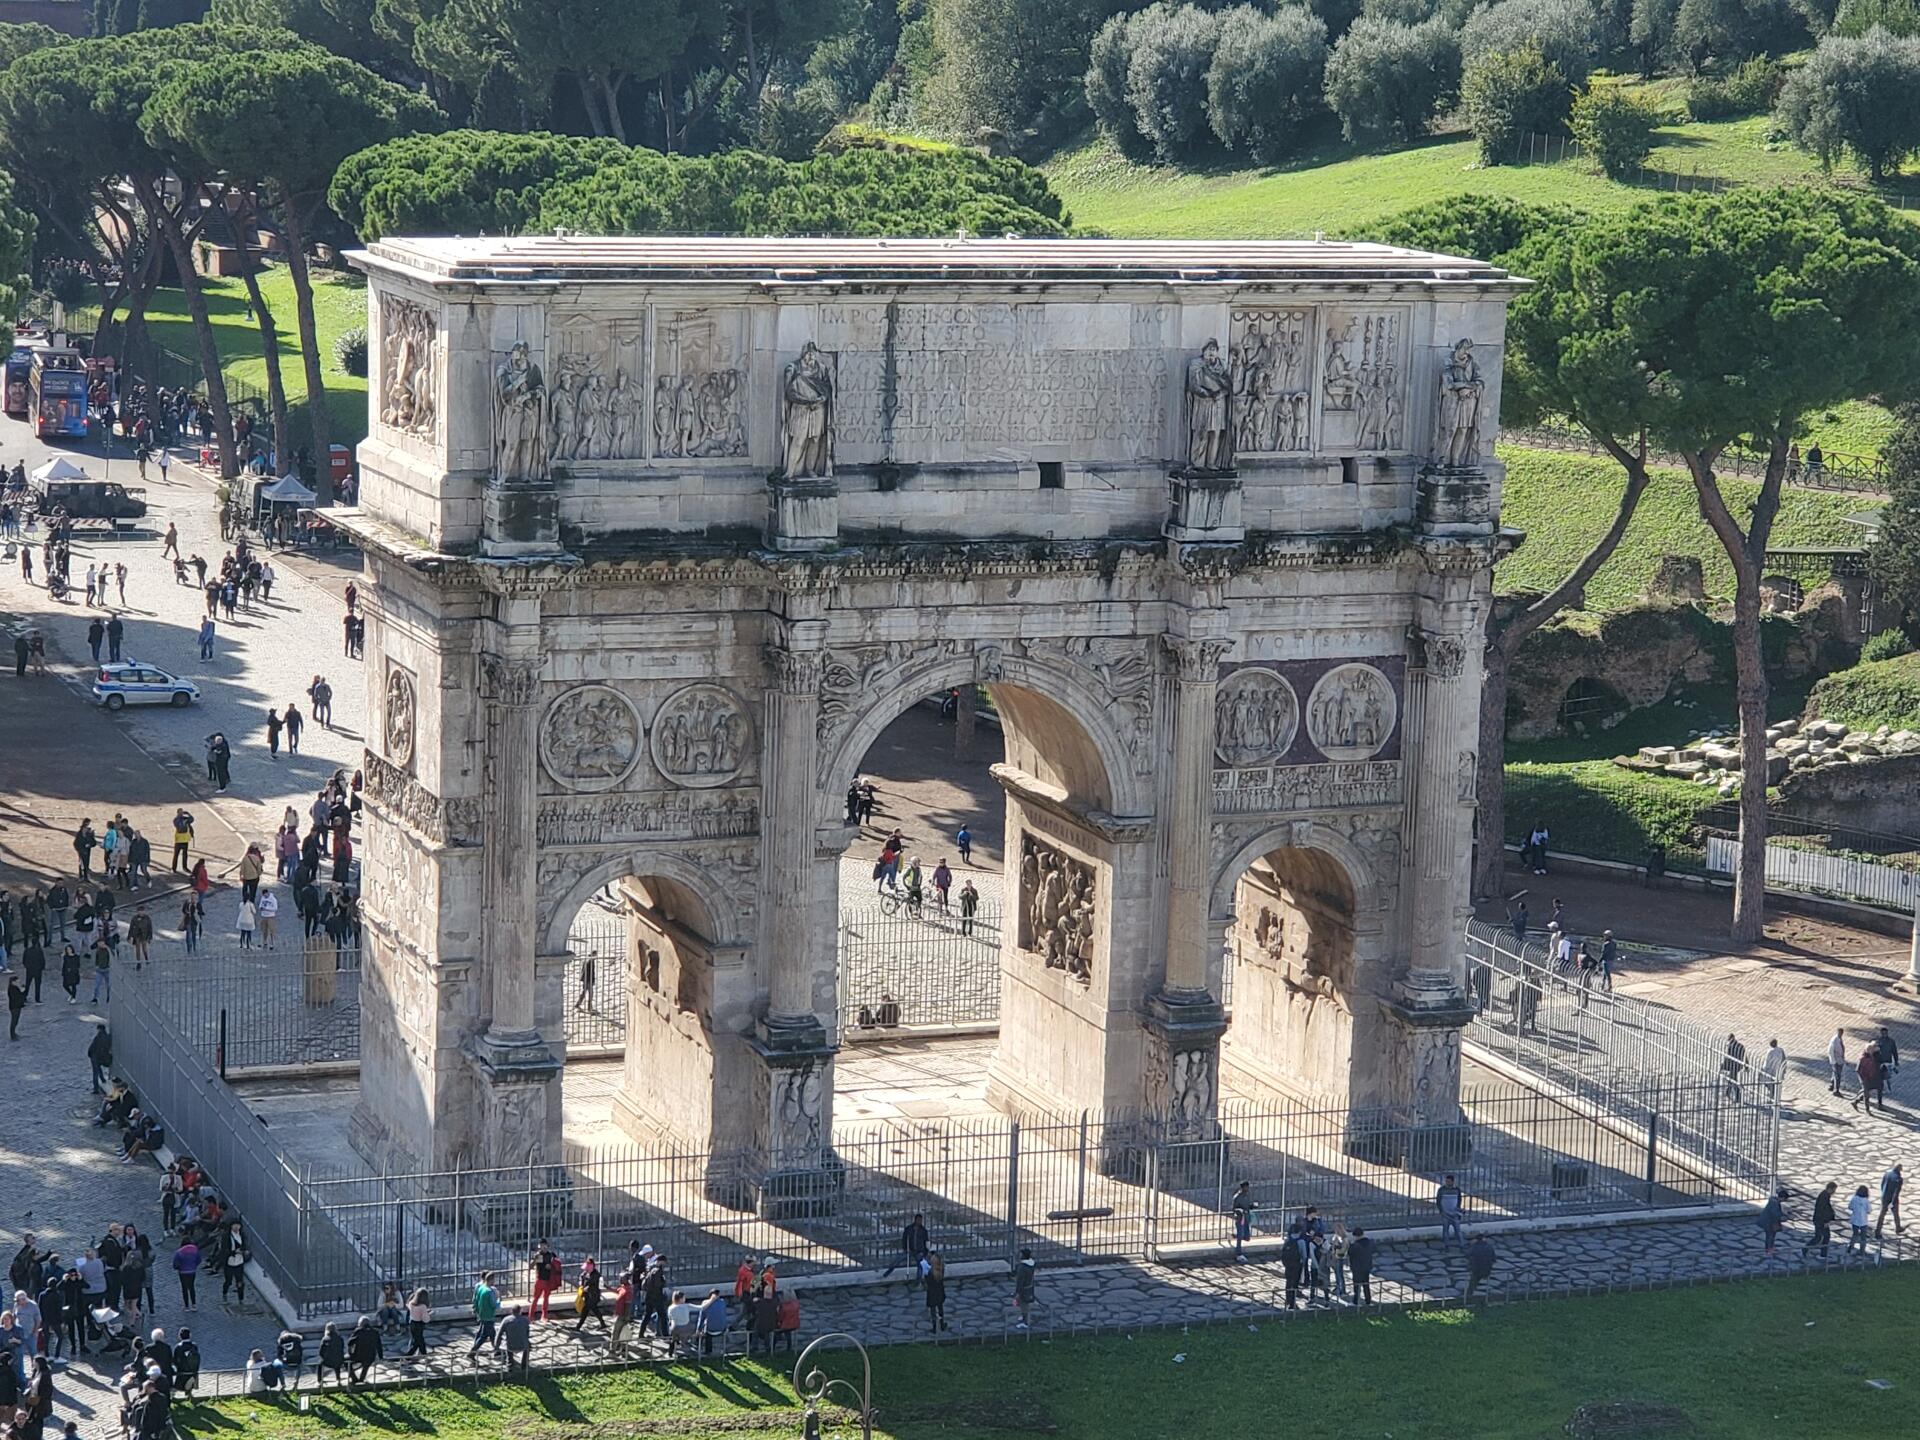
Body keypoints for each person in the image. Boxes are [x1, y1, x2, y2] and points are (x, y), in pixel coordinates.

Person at [468, 1272, 500, 1360]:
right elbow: (494, 1305)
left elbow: (476, 1300)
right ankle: (472, 1352)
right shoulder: (489, 1291)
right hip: (489, 1316)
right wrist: (498, 1299)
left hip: (482, 1314)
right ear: (491, 1280)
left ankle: (497, 1350)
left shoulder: (481, 1288)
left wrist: (476, 1310)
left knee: (492, 1333)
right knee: (484, 1336)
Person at [1804, 1181, 1838, 1260]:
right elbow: (1823, 1210)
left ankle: (1822, 1253)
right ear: (1830, 1189)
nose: (1834, 1192)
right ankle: (1810, 1250)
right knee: (1821, 1237)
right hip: (1821, 1221)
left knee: (1821, 1237)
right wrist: (1826, 1221)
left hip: (1820, 1220)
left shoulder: (1825, 1195)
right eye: (1834, 1190)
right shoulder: (1824, 1197)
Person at [346, 1313, 382, 1384]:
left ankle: (354, 1378)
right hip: (370, 1356)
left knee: (345, 1360)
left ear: (360, 1324)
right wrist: (381, 1356)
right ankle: (361, 1379)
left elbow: (349, 1343)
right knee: (367, 1363)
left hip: (358, 1355)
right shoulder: (375, 1332)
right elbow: (379, 1346)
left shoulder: (358, 1331)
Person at [499, 1304, 531, 1378]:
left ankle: (510, 1366)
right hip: (523, 1345)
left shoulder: (506, 1320)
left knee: (506, 1345)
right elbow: (527, 1333)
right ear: (520, 1311)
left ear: (511, 1311)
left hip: (510, 1345)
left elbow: (499, 1333)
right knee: (528, 1347)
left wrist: (496, 1344)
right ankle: (524, 1366)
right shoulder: (525, 1320)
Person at [1011, 1247, 1037, 1330]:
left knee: (1024, 1305)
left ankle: (1026, 1322)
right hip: (1029, 1286)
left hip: (1023, 1289)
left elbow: (1020, 1281)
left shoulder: (1022, 1268)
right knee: (1023, 1304)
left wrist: (1017, 1292)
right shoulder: (1031, 1265)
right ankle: (1024, 1317)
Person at [1348, 1227, 1375, 1305]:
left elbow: (1350, 1253)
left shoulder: (1355, 1246)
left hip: (1357, 1268)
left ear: (1356, 1236)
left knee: (1356, 1286)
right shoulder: (1369, 1242)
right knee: (1366, 1285)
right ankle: (1368, 1301)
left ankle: (1356, 1301)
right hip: (1367, 1267)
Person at [1229, 1182, 1255, 1263]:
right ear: (1242, 1188)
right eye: (1246, 1187)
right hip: (1240, 1218)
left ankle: (1233, 1235)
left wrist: (1252, 1206)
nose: (1247, 1189)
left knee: (1247, 1237)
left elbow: (1247, 1206)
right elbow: (1233, 1209)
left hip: (1246, 1218)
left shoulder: (1247, 1195)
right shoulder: (1237, 1197)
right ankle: (1238, 1254)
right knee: (1240, 1236)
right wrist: (1239, 1210)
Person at [1435, 1175, 1464, 1245]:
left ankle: (1461, 1245)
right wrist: (1441, 1211)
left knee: (1458, 1231)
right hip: (1445, 1213)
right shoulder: (1441, 1189)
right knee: (1445, 1231)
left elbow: (1459, 1200)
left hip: (1454, 1213)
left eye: (1449, 1181)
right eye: (1446, 1181)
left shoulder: (1457, 1189)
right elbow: (1438, 1201)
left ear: (1452, 1182)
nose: (1447, 1183)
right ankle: (1446, 1245)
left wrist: (1458, 1209)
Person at [170, 1239, 198, 1312]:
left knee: (184, 1288)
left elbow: (175, 1263)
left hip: (183, 1272)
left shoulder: (179, 1252)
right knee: (191, 1287)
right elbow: (199, 1260)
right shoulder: (195, 1250)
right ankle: (194, 1304)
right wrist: (194, 1265)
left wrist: (178, 1268)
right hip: (192, 1271)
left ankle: (186, 1306)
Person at [1878, 1163, 1905, 1238]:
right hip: (1892, 1199)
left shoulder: (1887, 1174)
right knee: (1896, 1213)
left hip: (1884, 1197)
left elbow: (1882, 1185)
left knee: (1882, 1214)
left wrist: (1883, 1194)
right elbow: (1896, 1192)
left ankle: (1878, 1230)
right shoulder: (1898, 1179)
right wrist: (1892, 1202)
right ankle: (1898, 1227)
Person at [922, 1252, 947, 1332]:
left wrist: (925, 1277)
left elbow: (928, 1283)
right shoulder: (941, 1270)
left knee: (933, 1311)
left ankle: (934, 1327)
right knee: (940, 1308)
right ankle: (942, 1324)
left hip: (932, 1293)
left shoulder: (930, 1273)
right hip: (940, 1292)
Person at [1847, 1185, 1873, 1257]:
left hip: (1855, 1220)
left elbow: (1850, 1207)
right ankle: (1862, 1251)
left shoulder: (1854, 1199)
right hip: (1863, 1221)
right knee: (1863, 1237)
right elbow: (1869, 1210)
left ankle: (1851, 1247)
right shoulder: (1866, 1201)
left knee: (1855, 1234)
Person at [404, 1289, 430, 1358]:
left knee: (418, 1340)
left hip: (412, 1324)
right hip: (419, 1325)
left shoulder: (411, 1303)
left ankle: (423, 1354)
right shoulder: (423, 1306)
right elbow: (425, 1319)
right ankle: (408, 1357)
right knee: (418, 1342)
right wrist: (429, 1314)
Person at [1722, 1033, 1747, 1104]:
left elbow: (1728, 1057)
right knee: (1732, 1078)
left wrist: (1723, 1066)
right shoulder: (1741, 1046)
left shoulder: (1730, 1046)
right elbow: (1745, 1056)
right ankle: (1728, 1091)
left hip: (1733, 1065)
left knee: (1733, 1080)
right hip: (1739, 1065)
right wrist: (1746, 1065)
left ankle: (1737, 1095)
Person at [1876, 1027, 1900, 1095]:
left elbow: (1894, 1051)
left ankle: (1889, 1089)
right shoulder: (1878, 1041)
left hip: (1888, 1061)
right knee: (1880, 1076)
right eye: (1883, 1033)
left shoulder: (1891, 1042)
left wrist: (1896, 1060)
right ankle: (1882, 1088)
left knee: (1887, 1077)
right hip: (1880, 1061)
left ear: (1887, 1033)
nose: (1884, 1034)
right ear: (1881, 1033)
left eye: (1885, 1033)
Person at [1828, 1028, 1849, 1096]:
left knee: (1835, 1073)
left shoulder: (1839, 1039)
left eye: (1842, 1033)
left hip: (1839, 1059)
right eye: (1840, 1033)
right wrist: (1834, 1061)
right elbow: (1830, 1051)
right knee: (1837, 1076)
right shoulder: (1834, 1040)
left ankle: (1832, 1085)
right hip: (1836, 1060)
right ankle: (1836, 1090)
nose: (1841, 1034)